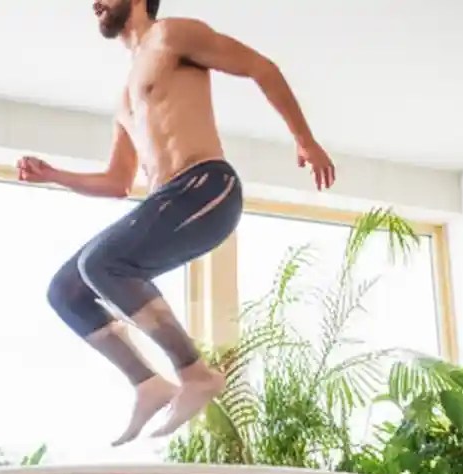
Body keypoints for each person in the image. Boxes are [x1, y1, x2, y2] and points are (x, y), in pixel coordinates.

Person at [18, 0, 335, 446]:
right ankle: (148, 383)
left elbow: (261, 67)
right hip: (166, 199)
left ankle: (194, 373)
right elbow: (117, 181)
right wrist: (54, 175)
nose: (94, 3)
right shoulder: (125, 96)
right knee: (66, 290)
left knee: (101, 263)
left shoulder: (172, 35)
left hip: (207, 187)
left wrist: (306, 140)